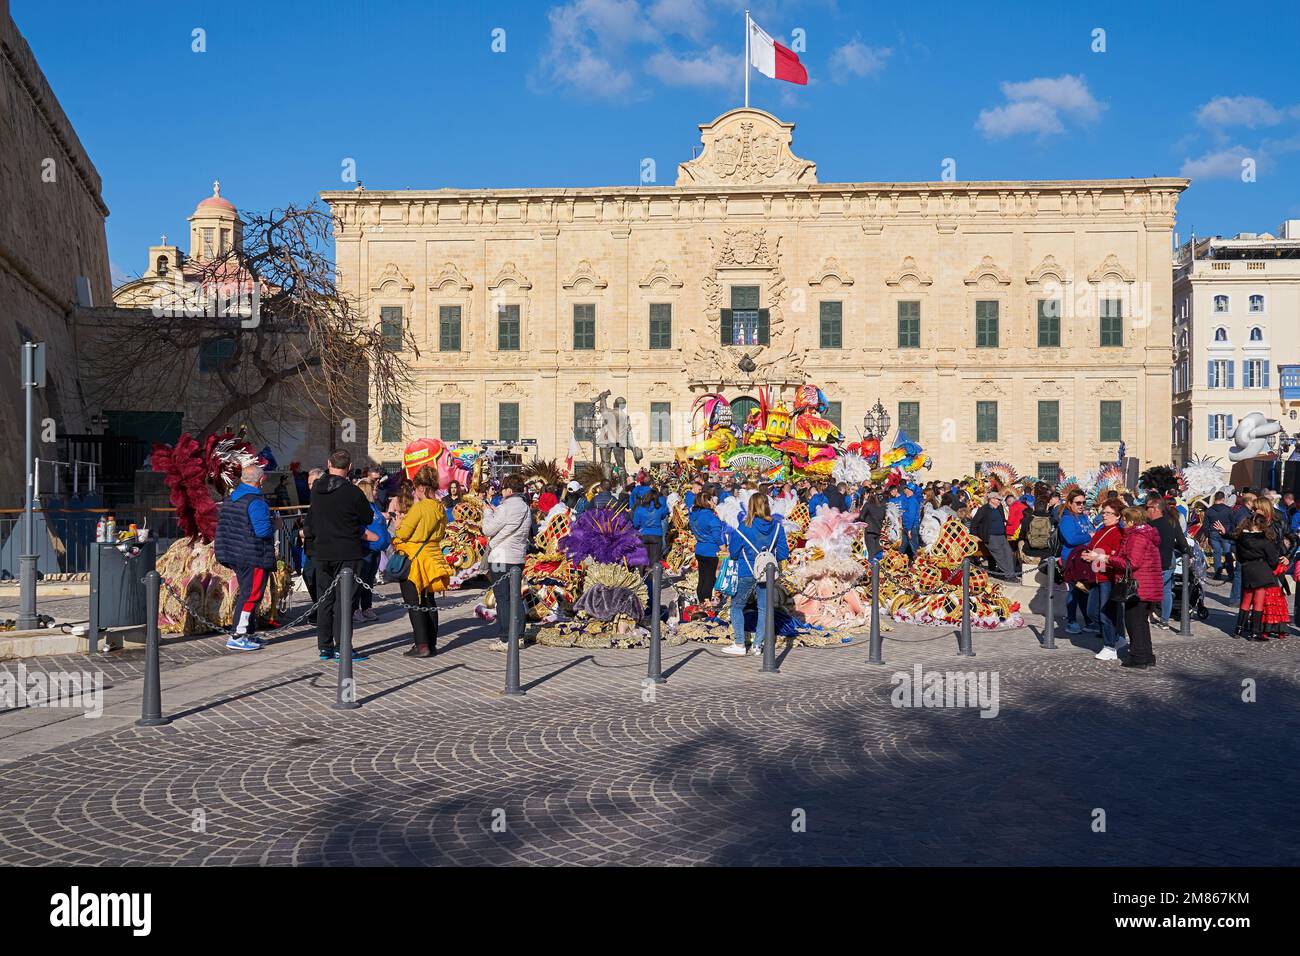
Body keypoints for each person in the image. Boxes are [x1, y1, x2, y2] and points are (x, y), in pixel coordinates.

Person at [306, 450, 377, 662]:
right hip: (346, 550)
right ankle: (342, 647)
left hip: (322, 551)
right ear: (349, 466)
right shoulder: (352, 492)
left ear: (328, 464)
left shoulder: (316, 489)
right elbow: (367, 516)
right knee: (344, 601)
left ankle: (325, 646)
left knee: (325, 599)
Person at [1085, 506, 1162, 668]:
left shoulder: (1137, 537)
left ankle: (1139, 658)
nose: (1123, 524)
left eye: (1125, 521)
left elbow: (1131, 563)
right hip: (1146, 585)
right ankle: (1146, 655)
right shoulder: (1143, 534)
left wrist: (1106, 558)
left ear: (1132, 522)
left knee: (1134, 622)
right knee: (1140, 622)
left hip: (1139, 586)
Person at [213, 463, 279, 651]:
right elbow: (263, 530)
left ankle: (248, 632)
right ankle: (238, 634)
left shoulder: (231, 498)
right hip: (253, 554)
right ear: (261, 480)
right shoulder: (256, 502)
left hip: (234, 552)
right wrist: (276, 524)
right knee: (251, 594)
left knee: (248, 591)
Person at [391, 466, 452, 656]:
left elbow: (403, 532)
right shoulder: (440, 508)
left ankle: (421, 644)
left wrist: (398, 524)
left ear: (422, 488)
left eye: (416, 488)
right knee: (429, 601)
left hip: (414, 559)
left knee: (413, 602)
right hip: (432, 557)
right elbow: (442, 533)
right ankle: (431, 643)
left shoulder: (419, 507)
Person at [721, 492, 789, 657]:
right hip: (767, 573)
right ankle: (757, 645)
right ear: (767, 505)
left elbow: (734, 552)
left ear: (751, 507)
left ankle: (739, 643)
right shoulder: (777, 526)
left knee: (736, 607)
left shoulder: (744, 527)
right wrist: (768, 555)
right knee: (764, 609)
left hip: (746, 571)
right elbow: (783, 553)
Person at [482, 474, 531, 647]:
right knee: (515, 597)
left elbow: (487, 529)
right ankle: (518, 636)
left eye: (503, 489)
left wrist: (487, 512)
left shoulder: (505, 507)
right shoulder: (525, 507)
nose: (501, 493)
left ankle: (505, 638)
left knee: (502, 598)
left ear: (509, 490)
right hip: (518, 556)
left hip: (501, 557)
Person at [1081, 499, 1127, 660]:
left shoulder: (1119, 533)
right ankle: (1115, 638)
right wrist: (1087, 555)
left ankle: (1109, 646)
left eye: (1109, 513)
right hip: (1096, 575)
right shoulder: (1101, 530)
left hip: (1108, 576)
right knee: (1092, 611)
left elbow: (1117, 556)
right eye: (1104, 512)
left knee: (1105, 613)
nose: (1105, 515)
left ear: (1118, 516)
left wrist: (1097, 556)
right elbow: (1093, 547)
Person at [352, 478, 391, 623]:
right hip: (366, 549)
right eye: (374, 489)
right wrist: (370, 537)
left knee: (369, 580)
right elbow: (358, 526)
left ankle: (367, 607)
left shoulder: (374, 506)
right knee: (360, 580)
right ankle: (355, 609)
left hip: (376, 551)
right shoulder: (361, 507)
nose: (377, 492)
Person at [1058, 490, 1097, 634]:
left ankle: (1088, 621)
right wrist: (1088, 536)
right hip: (1071, 559)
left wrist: (1088, 535)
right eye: (1078, 503)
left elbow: (1092, 533)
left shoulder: (1084, 517)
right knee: (1074, 591)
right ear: (1070, 503)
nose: (1081, 505)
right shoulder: (1067, 519)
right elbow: (1071, 539)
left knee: (1083, 591)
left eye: (1083, 502)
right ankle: (1071, 621)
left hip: (1085, 558)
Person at [1145, 494, 1182, 630]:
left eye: (1147, 507)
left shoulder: (1150, 525)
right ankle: (1164, 620)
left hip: (1157, 562)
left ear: (1155, 508)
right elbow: (1180, 540)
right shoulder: (1171, 521)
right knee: (1165, 591)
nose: (1146, 510)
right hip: (1169, 560)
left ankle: (1148, 615)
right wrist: (1187, 553)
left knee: (1150, 591)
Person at [689, 491, 726, 604]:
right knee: (709, 580)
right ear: (707, 501)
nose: (713, 502)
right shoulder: (710, 516)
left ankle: (701, 603)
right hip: (711, 551)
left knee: (702, 579)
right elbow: (716, 535)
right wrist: (723, 548)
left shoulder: (694, 515)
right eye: (711, 500)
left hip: (700, 548)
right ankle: (706, 604)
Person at [971, 490, 1017, 581]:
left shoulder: (999, 508)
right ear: (991, 499)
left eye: (1000, 500)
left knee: (1008, 553)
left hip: (1001, 535)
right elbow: (974, 523)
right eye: (998, 499)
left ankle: (1011, 573)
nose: (999, 501)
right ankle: (1009, 576)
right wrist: (974, 534)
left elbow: (1003, 519)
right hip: (991, 536)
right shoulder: (984, 509)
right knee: (999, 556)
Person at [299, 467, 325, 625]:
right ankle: (319, 606)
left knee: (316, 576)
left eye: (313, 483)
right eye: (309, 484)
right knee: (308, 575)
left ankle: (321, 609)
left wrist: (304, 531)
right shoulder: (314, 498)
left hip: (320, 546)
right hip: (311, 547)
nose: (311, 487)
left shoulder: (325, 498)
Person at [632, 486, 670, 568]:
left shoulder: (639, 509)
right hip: (656, 535)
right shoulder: (659, 508)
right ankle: (654, 578)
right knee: (655, 562)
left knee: (643, 561)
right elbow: (664, 515)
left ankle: (643, 578)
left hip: (643, 535)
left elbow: (635, 524)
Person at [1204, 491, 1234, 580]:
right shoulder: (1228, 510)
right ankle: (1230, 573)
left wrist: (1207, 535)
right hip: (1226, 532)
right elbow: (1233, 523)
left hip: (1213, 533)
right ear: (1223, 499)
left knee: (1216, 553)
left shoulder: (1209, 510)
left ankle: (1217, 573)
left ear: (1215, 499)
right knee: (1227, 553)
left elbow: (1205, 525)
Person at [857, 487, 886, 558]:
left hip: (869, 531)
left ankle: (873, 567)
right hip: (878, 530)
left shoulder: (868, 504)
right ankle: (878, 566)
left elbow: (861, 517)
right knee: (878, 551)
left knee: (871, 553)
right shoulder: (883, 505)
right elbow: (883, 517)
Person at [898, 483, 922, 558]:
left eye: (906, 489)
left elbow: (912, 516)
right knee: (903, 546)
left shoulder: (912, 501)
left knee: (914, 548)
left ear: (909, 490)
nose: (904, 490)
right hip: (906, 527)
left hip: (912, 527)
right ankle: (897, 560)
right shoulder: (908, 500)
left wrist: (909, 529)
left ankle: (920, 564)